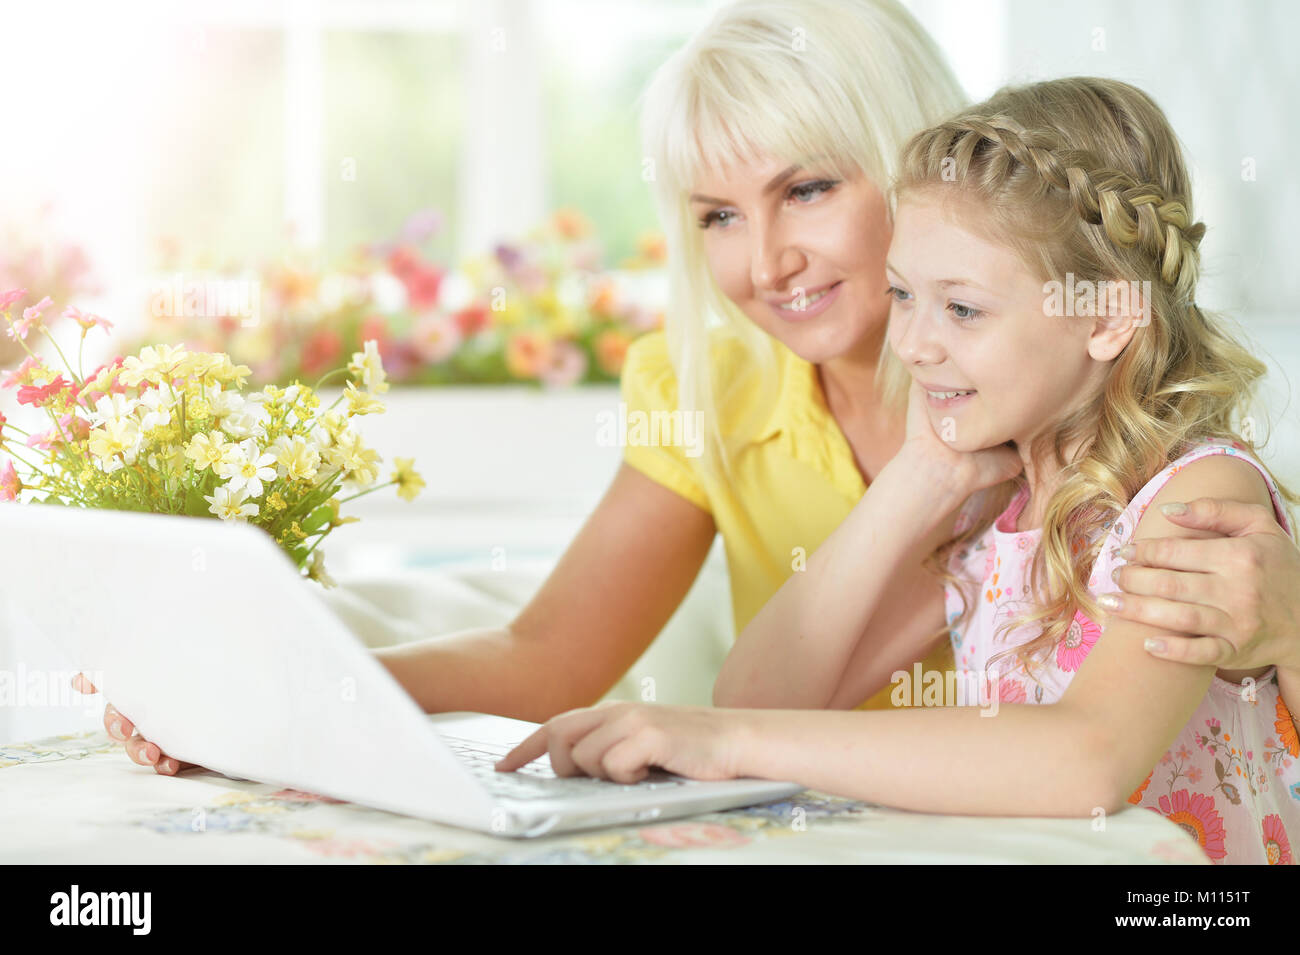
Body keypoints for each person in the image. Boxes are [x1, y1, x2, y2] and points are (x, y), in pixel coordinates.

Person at [85, 0, 1300, 781]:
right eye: (718, 214)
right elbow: (620, 665)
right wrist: (261, 706)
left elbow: (1085, 758)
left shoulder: (1150, 488)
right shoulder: (985, 468)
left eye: (809, 189)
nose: (764, 260)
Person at [497, 76, 1300, 865]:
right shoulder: (996, 508)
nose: (912, 343)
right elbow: (758, 696)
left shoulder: (1195, 499)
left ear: (1106, 315)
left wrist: (733, 743)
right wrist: (920, 475)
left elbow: (1087, 756)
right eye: (903, 293)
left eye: (962, 308)